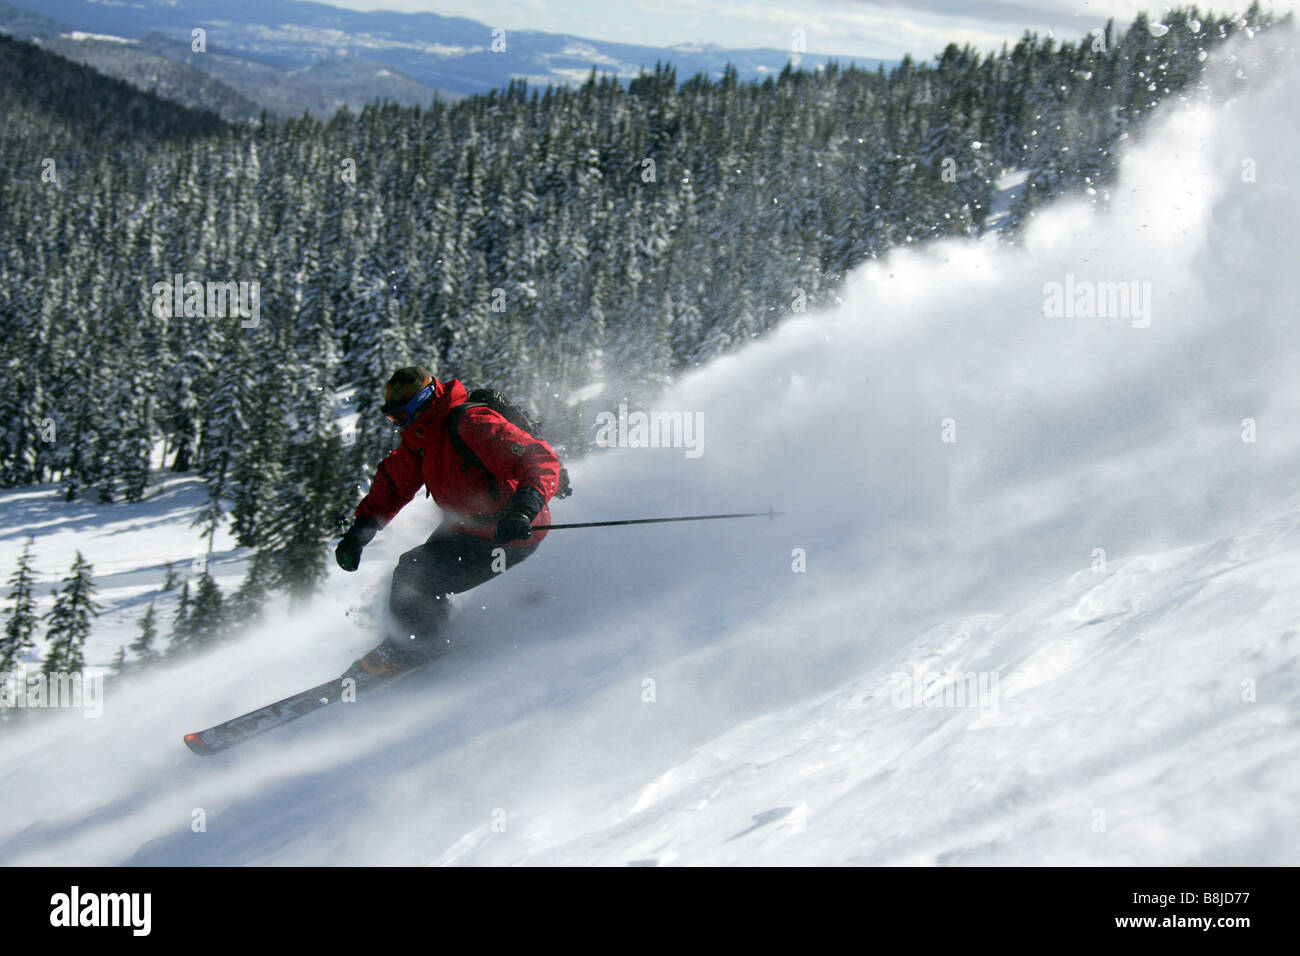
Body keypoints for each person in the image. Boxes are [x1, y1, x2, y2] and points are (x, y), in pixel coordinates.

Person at [334, 366, 562, 676]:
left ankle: (415, 648)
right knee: (417, 575)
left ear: (423, 402)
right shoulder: (422, 438)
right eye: (393, 419)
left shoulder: (472, 424)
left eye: (400, 416)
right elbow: (393, 483)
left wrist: (523, 510)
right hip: (468, 527)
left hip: (511, 531)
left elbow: (539, 460)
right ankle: (429, 630)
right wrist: (359, 532)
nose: (399, 425)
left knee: (414, 574)